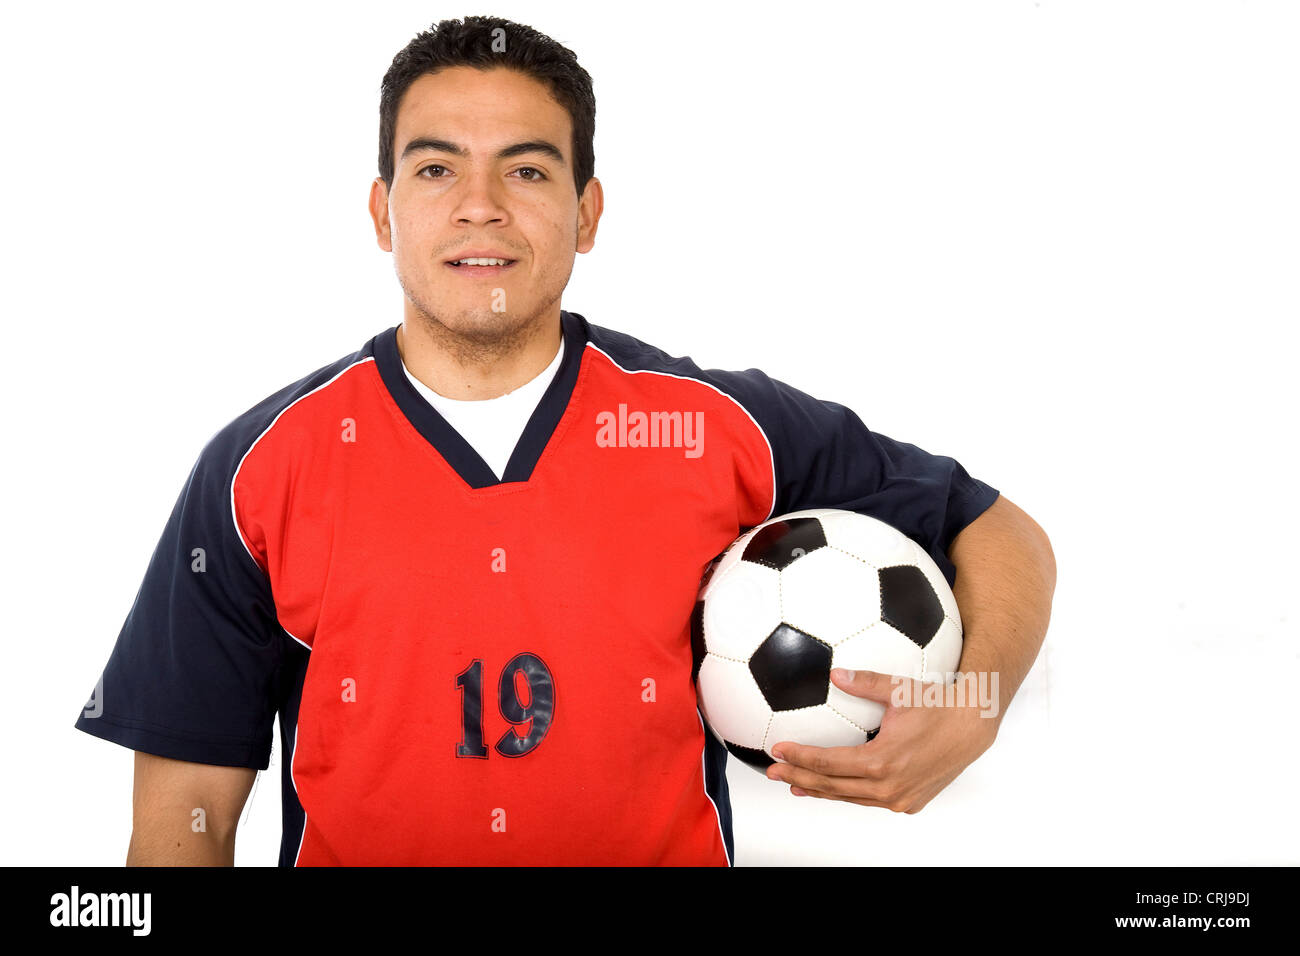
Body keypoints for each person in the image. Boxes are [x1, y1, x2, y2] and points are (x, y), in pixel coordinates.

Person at [74, 15, 1056, 866]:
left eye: (527, 167)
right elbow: (183, 817)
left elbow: (994, 527)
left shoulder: (708, 424)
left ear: (586, 212)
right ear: (383, 211)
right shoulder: (262, 467)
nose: (479, 204)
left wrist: (974, 699)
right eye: (435, 166)